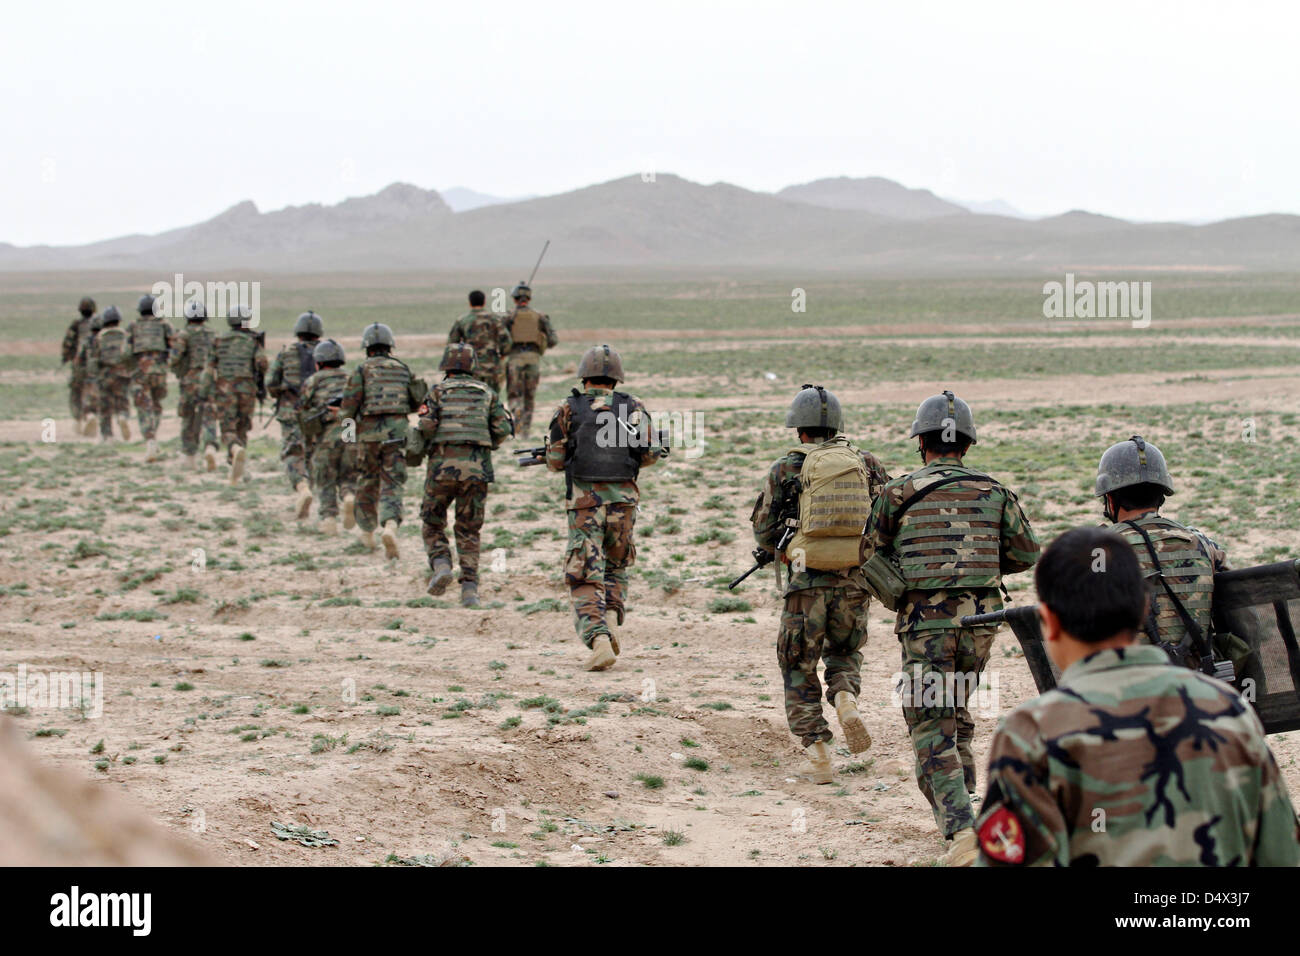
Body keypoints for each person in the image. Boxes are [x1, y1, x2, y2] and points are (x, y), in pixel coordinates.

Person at [976, 526, 1300, 867]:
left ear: (1049, 623)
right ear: (1146, 608)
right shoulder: (1229, 709)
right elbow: (1282, 854)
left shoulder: (1031, 734)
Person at [863, 389, 1039, 866]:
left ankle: (962, 834)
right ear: (967, 443)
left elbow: (870, 552)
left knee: (929, 724)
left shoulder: (897, 493)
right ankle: (963, 812)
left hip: (924, 625)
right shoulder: (996, 491)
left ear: (922, 442)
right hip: (981, 624)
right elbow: (1025, 554)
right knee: (955, 713)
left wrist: (902, 586)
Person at [751, 385, 888, 783]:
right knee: (844, 652)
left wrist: (780, 546)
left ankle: (819, 754)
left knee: (797, 665)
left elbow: (764, 531)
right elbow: (886, 519)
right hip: (855, 582)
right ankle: (845, 698)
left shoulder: (785, 468)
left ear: (799, 431)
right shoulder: (867, 463)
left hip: (805, 585)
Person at [545, 344, 666, 670]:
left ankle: (599, 640)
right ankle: (610, 621)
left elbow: (555, 460)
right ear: (616, 378)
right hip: (623, 503)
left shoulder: (568, 407)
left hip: (584, 505)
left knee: (584, 575)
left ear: (585, 376)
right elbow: (652, 454)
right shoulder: (634, 407)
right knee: (616, 566)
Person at [1096, 435, 1238, 677]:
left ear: (1110, 498)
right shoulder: (1203, 544)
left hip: (1125, 690)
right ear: (1162, 495)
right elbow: (1241, 611)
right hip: (1200, 688)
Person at [418, 343, 513, 607]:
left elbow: (425, 426)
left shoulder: (436, 392)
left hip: (441, 469)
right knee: (469, 528)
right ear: (472, 367)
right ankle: (469, 587)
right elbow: (503, 429)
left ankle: (441, 564)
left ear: (446, 366)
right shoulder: (488, 393)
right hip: (477, 470)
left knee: (432, 521)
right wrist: (485, 445)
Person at [337, 323, 426, 558]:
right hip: (397, 433)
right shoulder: (402, 369)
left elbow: (348, 409)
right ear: (390, 346)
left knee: (367, 480)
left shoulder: (360, 370)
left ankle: (367, 532)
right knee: (392, 481)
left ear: (367, 347)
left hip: (368, 434)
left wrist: (348, 439)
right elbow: (416, 402)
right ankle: (390, 526)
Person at [297, 339, 357, 534]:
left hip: (328, 435)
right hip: (350, 430)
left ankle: (329, 518)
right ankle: (349, 496)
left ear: (318, 362)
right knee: (349, 473)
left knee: (325, 477)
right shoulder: (352, 378)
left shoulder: (314, 380)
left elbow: (303, 411)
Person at [268, 311, 323, 518]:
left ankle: (302, 487)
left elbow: (271, 383)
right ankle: (311, 492)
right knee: (313, 453)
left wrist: (280, 395)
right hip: (317, 413)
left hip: (292, 411)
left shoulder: (286, 353)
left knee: (293, 452)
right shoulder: (326, 352)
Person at [205, 305, 267, 485]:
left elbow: (209, 369)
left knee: (228, 428)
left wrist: (204, 391)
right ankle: (239, 468)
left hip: (225, 388)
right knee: (243, 426)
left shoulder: (218, 341)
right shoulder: (253, 341)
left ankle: (234, 449)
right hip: (247, 388)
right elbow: (262, 364)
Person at [170, 299, 220, 471]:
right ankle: (210, 447)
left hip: (190, 380)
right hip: (210, 378)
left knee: (188, 416)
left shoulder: (184, 335)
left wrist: (178, 370)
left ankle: (189, 457)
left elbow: (174, 358)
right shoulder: (213, 334)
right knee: (209, 414)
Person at [125, 294, 175, 462]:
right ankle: (154, 437)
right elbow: (174, 347)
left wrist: (132, 365)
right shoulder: (164, 324)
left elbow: (124, 352)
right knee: (156, 405)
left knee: (144, 408)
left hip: (141, 372)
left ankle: (150, 440)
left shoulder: (132, 327)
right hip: (159, 371)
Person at [504, 282, 558, 438]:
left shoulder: (509, 317)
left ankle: (518, 426)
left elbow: (501, 339)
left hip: (514, 359)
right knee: (529, 396)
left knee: (515, 395)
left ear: (514, 299)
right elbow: (553, 339)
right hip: (533, 359)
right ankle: (525, 430)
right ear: (529, 298)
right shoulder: (540, 316)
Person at [447, 290, 511, 395]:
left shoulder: (463, 320)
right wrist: (503, 354)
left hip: (470, 369)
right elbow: (506, 341)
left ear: (470, 302)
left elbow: (452, 344)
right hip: (492, 367)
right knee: (492, 398)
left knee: (473, 399)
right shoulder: (495, 319)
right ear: (484, 302)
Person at [86, 306, 132, 442]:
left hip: (105, 374)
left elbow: (93, 359)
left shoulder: (99, 337)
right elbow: (130, 355)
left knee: (104, 406)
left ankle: (107, 436)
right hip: (122, 374)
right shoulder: (126, 335)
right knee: (122, 400)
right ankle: (122, 416)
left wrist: (94, 376)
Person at [61, 296, 99, 434]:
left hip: (79, 364)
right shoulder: (99, 324)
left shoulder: (76, 324)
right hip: (95, 364)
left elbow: (68, 344)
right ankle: (91, 414)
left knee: (76, 391)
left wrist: (66, 357)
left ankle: (77, 420)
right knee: (93, 391)